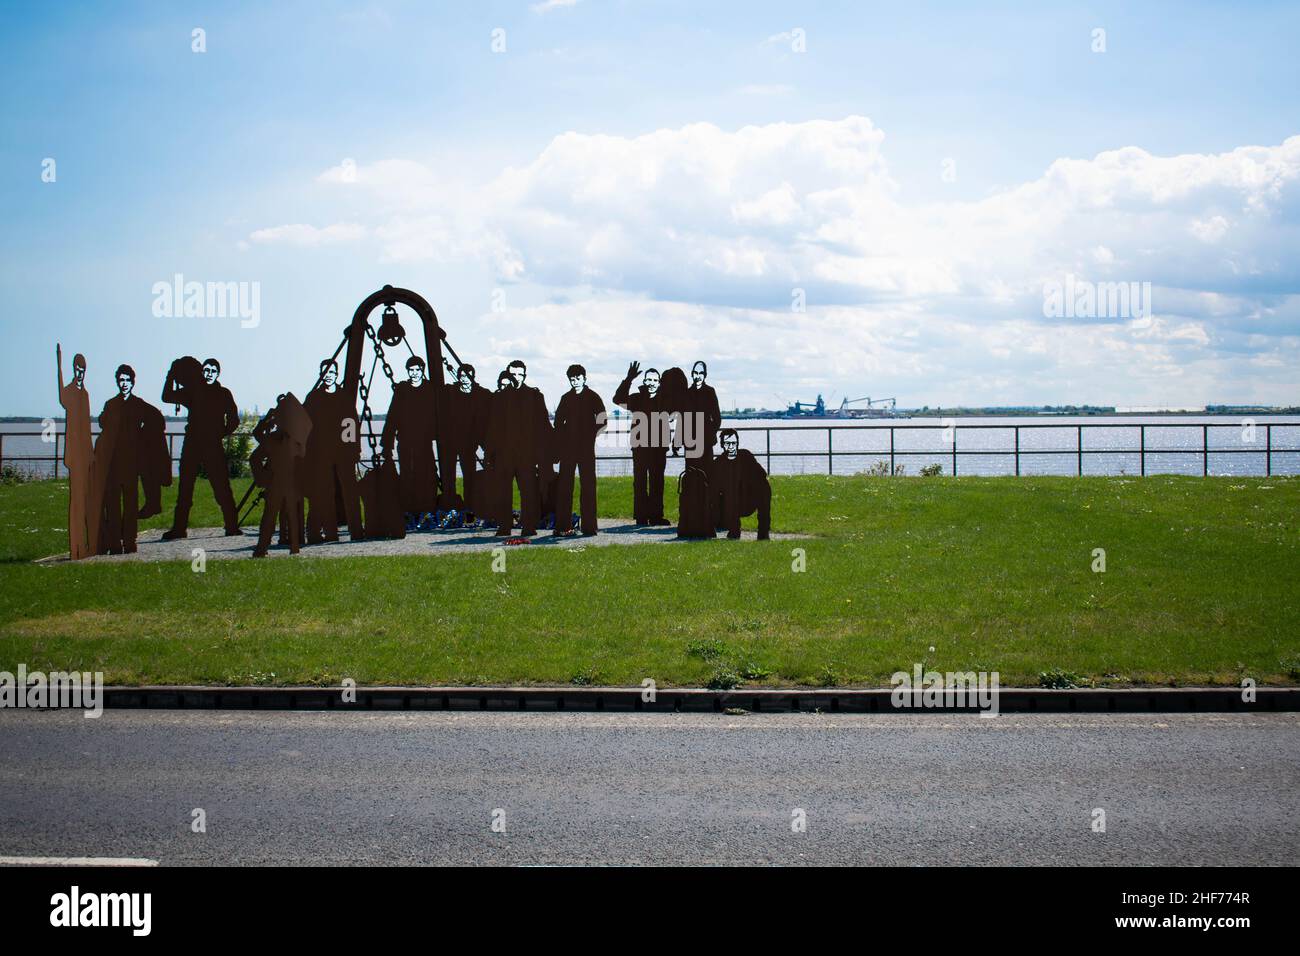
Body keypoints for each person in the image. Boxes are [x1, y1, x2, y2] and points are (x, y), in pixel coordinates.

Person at [161, 357, 241, 539]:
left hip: (210, 444)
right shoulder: (192, 391)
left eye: (212, 370)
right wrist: (170, 376)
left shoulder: (222, 393)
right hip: (193, 445)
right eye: (206, 370)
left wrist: (219, 433)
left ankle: (232, 526)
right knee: (185, 488)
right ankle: (180, 528)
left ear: (218, 373)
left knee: (221, 487)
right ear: (201, 372)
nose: (209, 374)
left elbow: (234, 420)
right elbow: (166, 396)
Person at [94, 364, 156, 554]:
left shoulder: (139, 404)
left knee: (130, 505)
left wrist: (142, 436)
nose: (124, 384)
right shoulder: (111, 404)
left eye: (127, 380)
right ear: (117, 382)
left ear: (133, 382)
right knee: (112, 504)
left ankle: (129, 542)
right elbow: (102, 422)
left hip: (130, 463)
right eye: (121, 380)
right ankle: (113, 542)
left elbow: (156, 419)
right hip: (113, 463)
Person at [303, 359, 364, 543]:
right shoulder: (314, 398)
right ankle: (326, 533)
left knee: (350, 491)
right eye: (325, 373)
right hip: (322, 452)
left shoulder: (343, 397)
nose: (328, 376)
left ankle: (356, 531)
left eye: (331, 373)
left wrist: (354, 448)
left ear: (336, 375)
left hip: (343, 452)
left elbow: (351, 423)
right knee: (323, 491)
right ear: (321, 375)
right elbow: (306, 426)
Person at [486, 360, 549, 537]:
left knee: (529, 492)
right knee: (503, 492)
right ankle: (504, 526)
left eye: (519, 374)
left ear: (524, 375)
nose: (516, 378)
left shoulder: (535, 396)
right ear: (507, 374)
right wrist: (490, 454)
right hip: (504, 454)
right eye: (512, 374)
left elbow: (543, 426)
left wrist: (544, 453)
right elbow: (493, 428)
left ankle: (529, 526)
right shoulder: (498, 398)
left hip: (526, 454)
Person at [250, 396, 312, 557]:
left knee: (271, 516)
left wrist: (262, 478)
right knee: (287, 515)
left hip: (277, 482)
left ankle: (262, 548)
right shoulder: (296, 443)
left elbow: (255, 455)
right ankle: (293, 547)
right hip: (287, 482)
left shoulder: (272, 440)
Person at [614, 361, 670, 526]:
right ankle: (641, 516)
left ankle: (656, 516)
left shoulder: (666, 399)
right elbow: (618, 399)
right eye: (648, 380)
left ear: (659, 383)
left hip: (659, 447)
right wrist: (628, 379)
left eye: (655, 381)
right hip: (640, 446)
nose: (651, 384)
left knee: (657, 482)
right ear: (644, 382)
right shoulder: (636, 399)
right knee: (639, 482)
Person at [552, 364, 605, 536]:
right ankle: (563, 526)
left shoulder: (593, 397)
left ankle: (589, 527)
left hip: (586, 449)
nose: (575, 381)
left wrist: (590, 435)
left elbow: (603, 420)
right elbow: (558, 422)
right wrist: (562, 439)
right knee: (564, 487)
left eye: (578, 378)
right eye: (572, 379)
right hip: (568, 449)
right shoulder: (565, 398)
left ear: (584, 378)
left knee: (588, 487)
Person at [381, 355, 439, 515]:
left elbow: (438, 415)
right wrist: (386, 444)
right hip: (406, 440)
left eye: (417, 370)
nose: (414, 373)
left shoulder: (430, 390)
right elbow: (392, 417)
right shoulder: (402, 390)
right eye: (411, 370)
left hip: (424, 441)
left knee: (426, 473)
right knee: (407, 473)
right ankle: (408, 508)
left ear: (422, 371)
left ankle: (427, 507)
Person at [56, 346, 96, 558]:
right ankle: (76, 547)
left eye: (83, 369)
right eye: (77, 368)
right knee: (76, 502)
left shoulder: (86, 394)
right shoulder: (70, 393)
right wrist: (58, 364)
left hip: (86, 454)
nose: (80, 372)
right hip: (75, 455)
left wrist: (91, 454)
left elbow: (87, 428)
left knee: (87, 499)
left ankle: (86, 546)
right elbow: (62, 397)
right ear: (73, 369)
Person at [437, 364, 492, 511]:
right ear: (458, 376)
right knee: (448, 475)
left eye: (468, 376)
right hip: (450, 442)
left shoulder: (481, 394)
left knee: (469, 476)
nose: (465, 379)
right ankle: (449, 501)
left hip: (468, 444)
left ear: (472, 377)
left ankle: (469, 504)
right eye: (462, 376)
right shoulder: (450, 392)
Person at [709, 428, 771, 540]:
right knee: (730, 494)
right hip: (731, 499)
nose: (731, 446)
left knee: (764, 488)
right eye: (727, 443)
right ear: (722, 445)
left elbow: (762, 475)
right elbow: (715, 489)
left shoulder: (746, 456)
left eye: (733, 443)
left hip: (750, 495)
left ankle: (763, 533)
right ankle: (734, 531)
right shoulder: (718, 464)